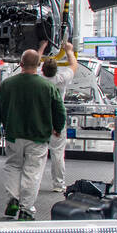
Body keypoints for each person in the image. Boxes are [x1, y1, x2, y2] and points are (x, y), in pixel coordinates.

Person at [0, 48, 67, 221]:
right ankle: (26, 209)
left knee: (13, 166)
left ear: (21, 64)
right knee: (32, 171)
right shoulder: (48, 86)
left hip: (13, 135)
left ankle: (13, 198)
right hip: (38, 137)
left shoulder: (6, 84)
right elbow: (60, 110)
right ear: (38, 65)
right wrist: (58, 127)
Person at [41, 40, 77, 192]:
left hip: (40, 121)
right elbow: (73, 65)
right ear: (56, 70)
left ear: (42, 69)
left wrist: (42, 47)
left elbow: (32, 63)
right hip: (57, 120)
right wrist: (69, 50)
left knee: (38, 154)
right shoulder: (61, 79)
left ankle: (33, 183)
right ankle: (58, 184)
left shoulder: (38, 79)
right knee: (58, 154)